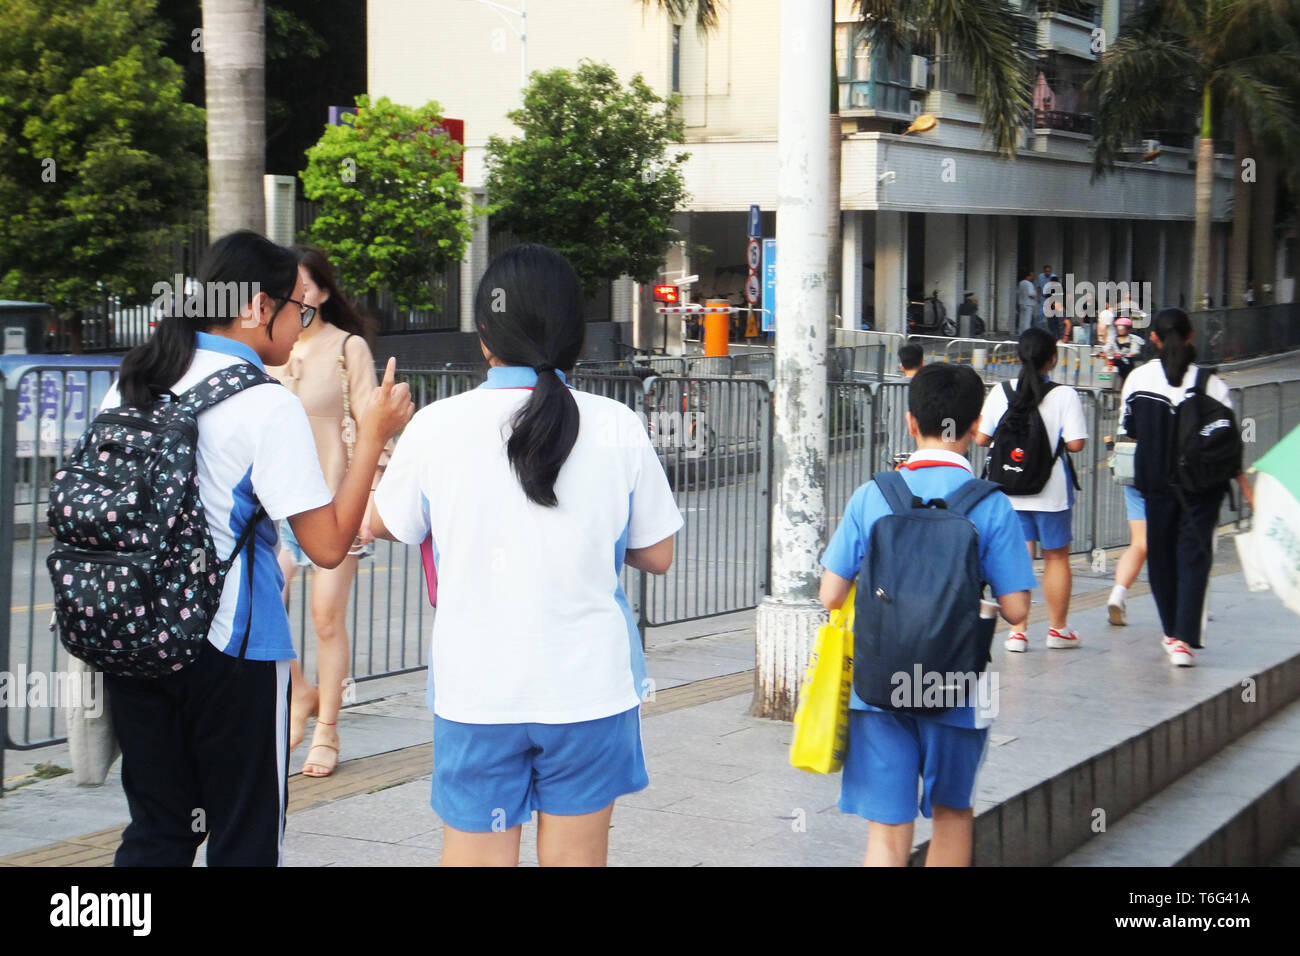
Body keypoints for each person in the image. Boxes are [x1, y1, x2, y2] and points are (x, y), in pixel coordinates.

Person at [99, 231, 413, 865]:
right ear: (253, 308)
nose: (302, 323)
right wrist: (375, 434)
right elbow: (326, 545)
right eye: (296, 307)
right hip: (230, 650)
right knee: (245, 835)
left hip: (133, 636)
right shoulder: (264, 403)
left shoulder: (132, 383)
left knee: (157, 830)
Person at [369, 244, 682, 866]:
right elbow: (659, 553)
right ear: (574, 334)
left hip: (477, 693)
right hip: (588, 691)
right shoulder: (617, 424)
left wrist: (376, 434)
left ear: (486, 334)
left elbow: (383, 523)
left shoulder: (436, 425)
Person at [819, 363, 1034, 866]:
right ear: (975, 423)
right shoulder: (991, 505)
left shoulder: (873, 495)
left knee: (888, 830)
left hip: (879, 685)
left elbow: (830, 594)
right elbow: (1018, 608)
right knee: (952, 814)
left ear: (911, 422)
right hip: (960, 686)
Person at [266, 247, 391, 777]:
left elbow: (373, 422)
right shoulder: (268, 349)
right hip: (278, 508)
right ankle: (302, 692)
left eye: (301, 285)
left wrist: (374, 494)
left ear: (319, 291)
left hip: (336, 503)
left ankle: (328, 731)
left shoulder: (348, 348)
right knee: (267, 605)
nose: (294, 295)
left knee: (325, 619)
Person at [1120, 308, 1233, 667]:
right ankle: (1184, 638)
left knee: (1162, 559)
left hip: (1154, 484)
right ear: (1191, 336)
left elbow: (1130, 428)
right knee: (1194, 558)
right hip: (1201, 488)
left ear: (1153, 339)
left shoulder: (1137, 379)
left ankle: (1171, 633)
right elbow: (1228, 438)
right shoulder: (1212, 383)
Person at [976, 327, 1088, 652]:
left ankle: (1018, 632)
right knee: (1056, 558)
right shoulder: (1065, 394)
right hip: (1051, 491)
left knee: (1018, 557)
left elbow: (982, 438)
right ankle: (1057, 630)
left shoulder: (1001, 392)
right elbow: (1077, 444)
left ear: (1018, 357)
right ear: (1052, 359)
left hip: (1009, 489)